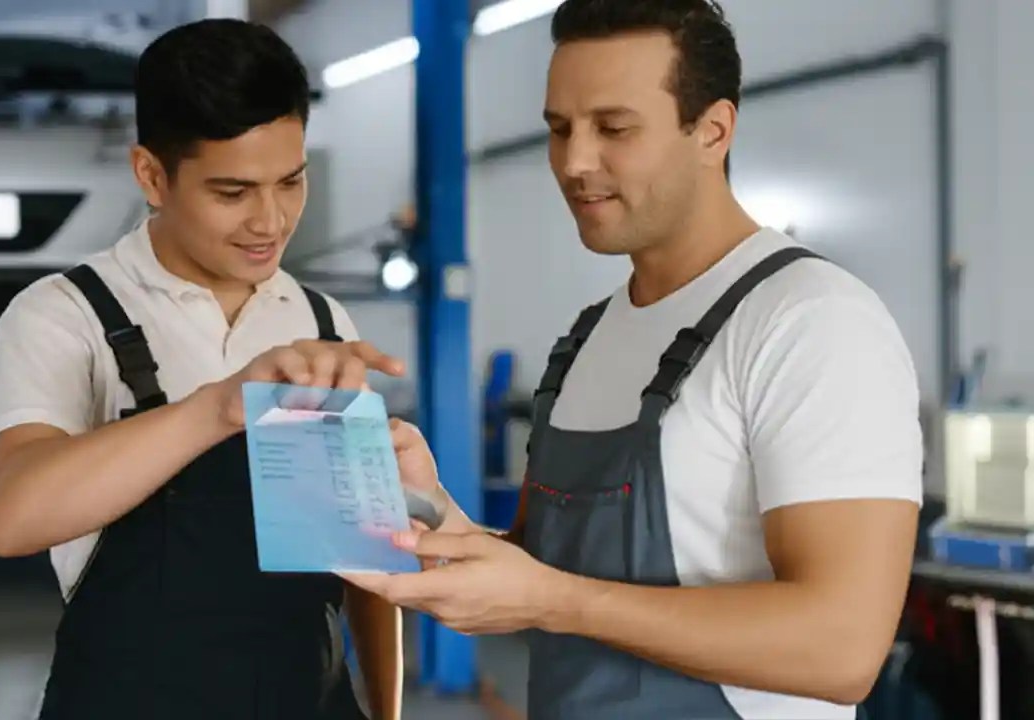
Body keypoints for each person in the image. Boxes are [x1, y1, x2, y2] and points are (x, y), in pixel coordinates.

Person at [345, 1, 923, 719]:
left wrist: (556, 601)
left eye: (614, 129)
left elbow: (841, 648)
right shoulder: (589, 336)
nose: (574, 162)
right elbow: (544, 577)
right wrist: (437, 517)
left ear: (712, 131)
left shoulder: (809, 321)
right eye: (560, 129)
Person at [0, 19, 405, 720]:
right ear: (152, 174)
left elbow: (364, 567)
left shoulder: (322, 323)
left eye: (291, 182)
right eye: (233, 193)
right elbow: (10, 517)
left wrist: (385, 712)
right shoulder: (66, 315)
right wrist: (217, 408)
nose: (270, 221)